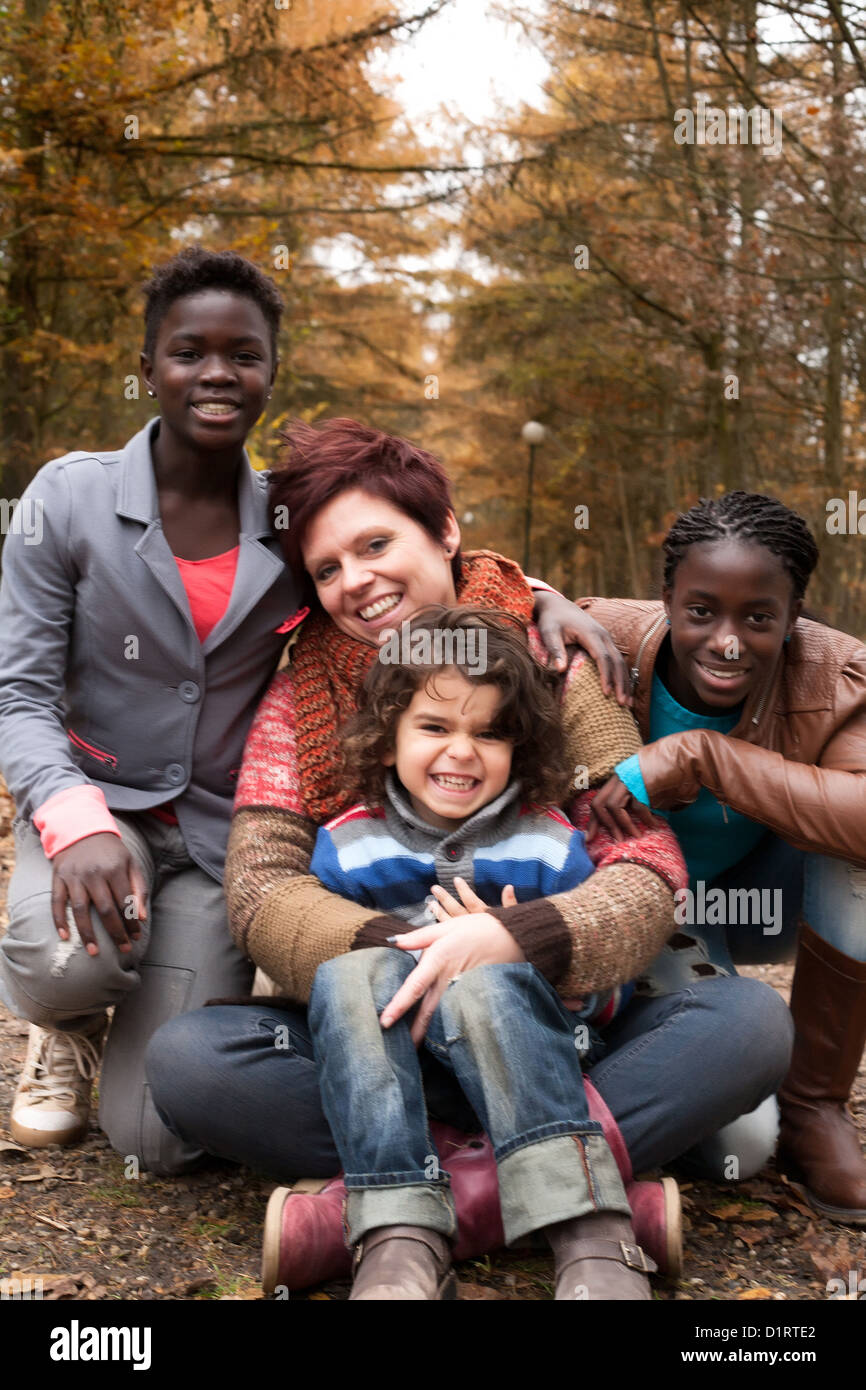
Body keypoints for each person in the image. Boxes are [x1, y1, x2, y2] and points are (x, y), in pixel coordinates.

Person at [0, 267, 619, 1174]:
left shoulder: (291, 522)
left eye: (243, 355)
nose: (216, 373)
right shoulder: (69, 499)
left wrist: (545, 598)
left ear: (271, 371)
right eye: (188, 353)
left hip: (215, 836)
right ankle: (63, 1025)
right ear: (147, 366)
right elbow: (18, 691)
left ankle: (462, 1157)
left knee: (157, 1141)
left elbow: (414, 568)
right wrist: (73, 815)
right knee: (69, 959)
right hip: (100, 808)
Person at [147, 421, 789, 1291]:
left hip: (553, 1032)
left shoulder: (548, 658)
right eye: (328, 569)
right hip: (379, 1040)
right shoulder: (300, 698)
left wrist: (513, 939)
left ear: (446, 530)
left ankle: (402, 1208)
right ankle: (564, 1190)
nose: (357, 582)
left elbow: (645, 865)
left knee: (745, 1025)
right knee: (192, 1060)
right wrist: (415, 953)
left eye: (376, 545)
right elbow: (262, 890)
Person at [307, 602, 653, 1299]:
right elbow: (327, 992)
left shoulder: (550, 845)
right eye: (433, 727)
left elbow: (607, 978)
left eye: (489, 734)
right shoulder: (347, 845)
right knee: (345, 974)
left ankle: (586, 1226)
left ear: (518, 749)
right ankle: (399, 1234)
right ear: (386, 741)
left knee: (491, 984)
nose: (461, 752)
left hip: (534, 1062)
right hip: (404, 1074)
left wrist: (554, 972)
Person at [582, 490, 866, 1224]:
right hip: (644, 902)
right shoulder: (601, 635)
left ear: (794, 614)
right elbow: (473, 599)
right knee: (743, 1141)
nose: (728, 642)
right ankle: (610, 1045)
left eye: (759, 618)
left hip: (765, 893)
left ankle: (815, 1108)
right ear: (667, 598)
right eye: (702, 612)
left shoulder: (839, 679)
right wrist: (543, 597)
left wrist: (703, 755)